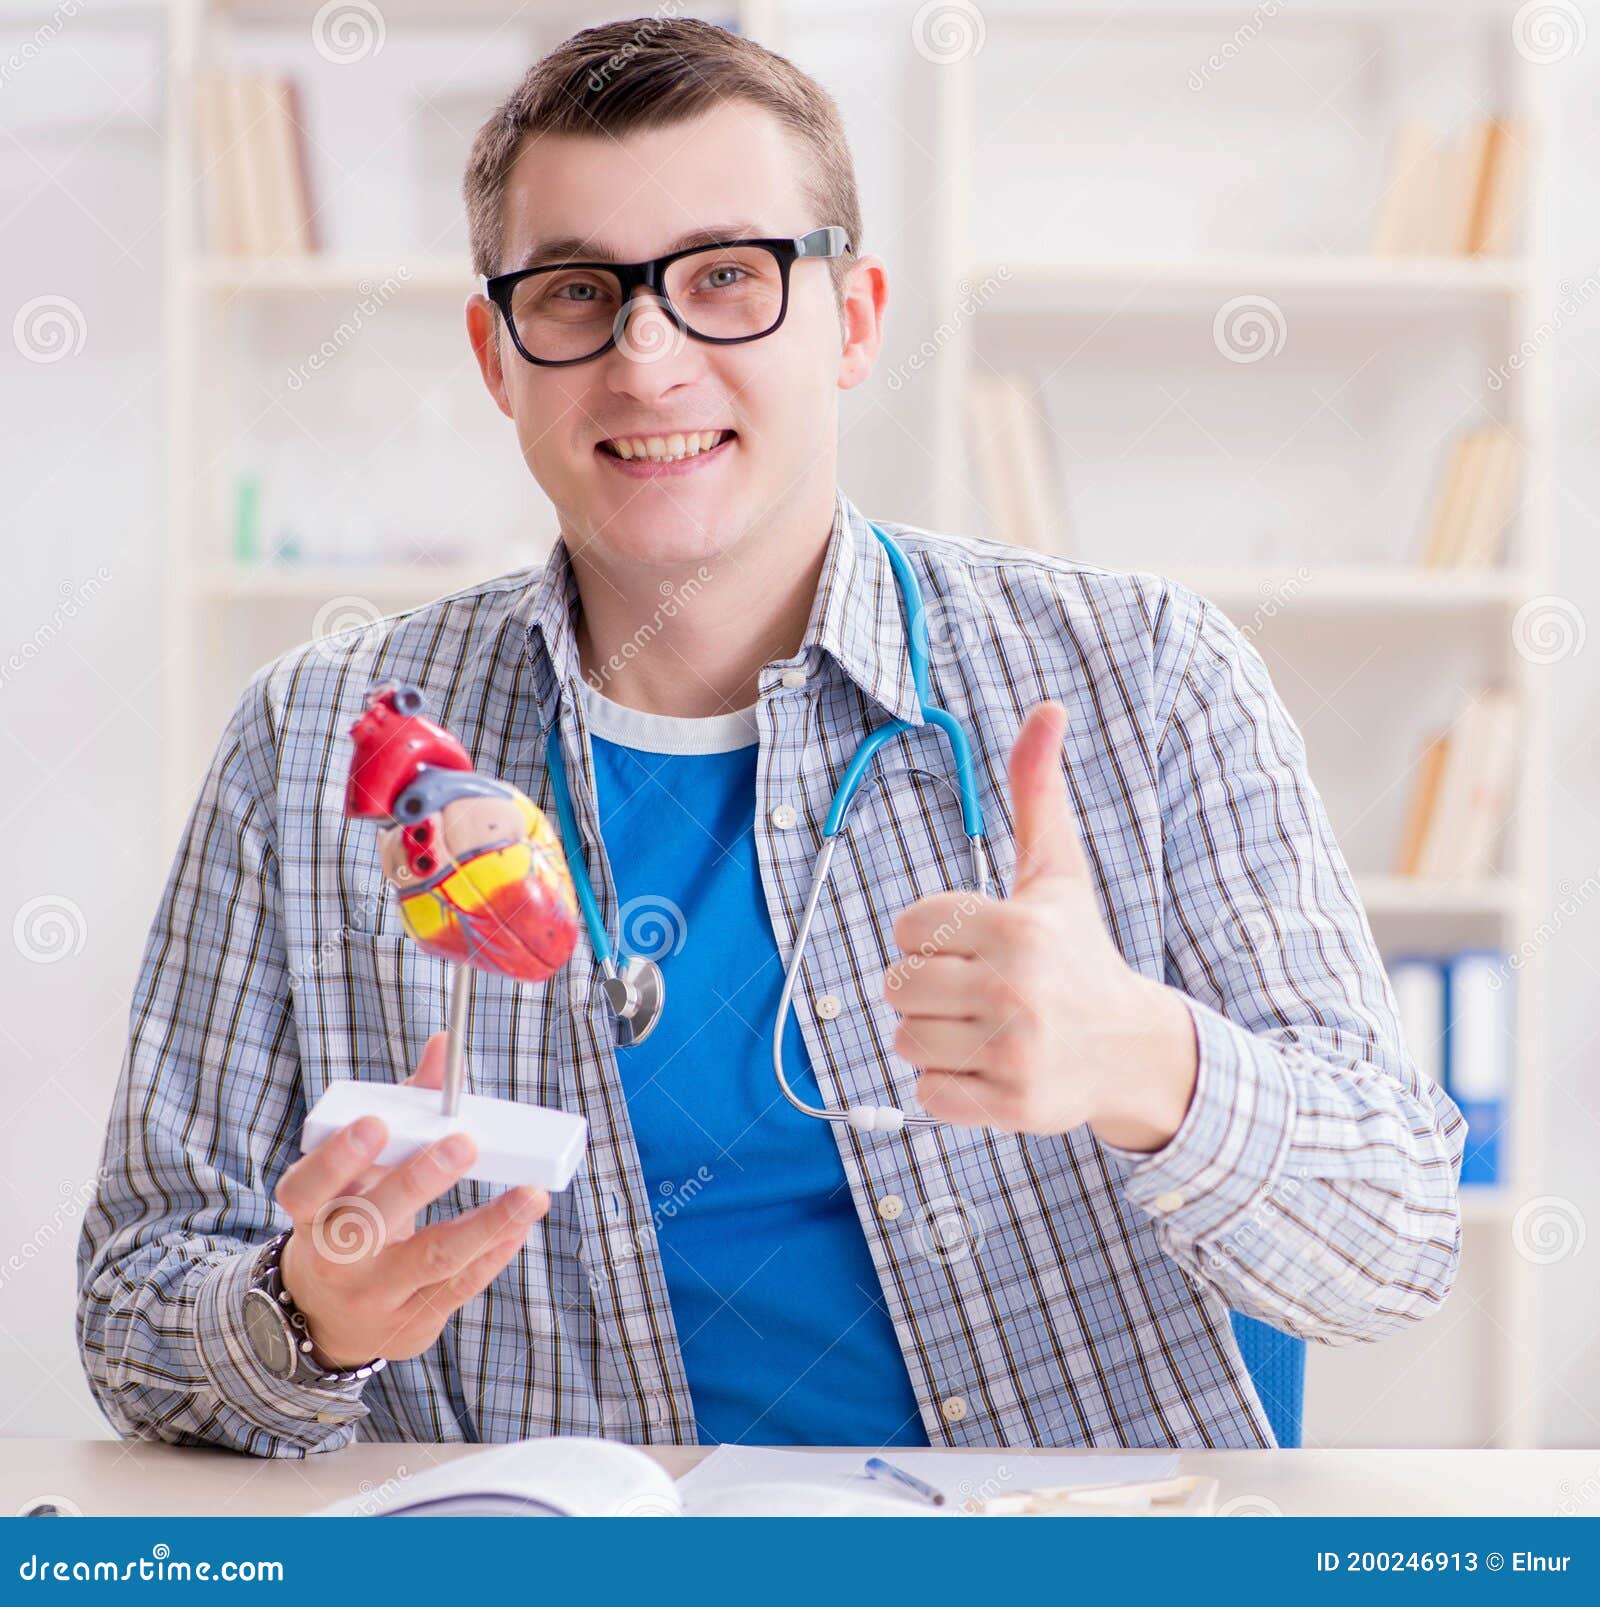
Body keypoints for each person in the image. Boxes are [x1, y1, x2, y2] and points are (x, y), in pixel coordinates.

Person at [77, 17, 1462, 1458]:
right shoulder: (312, 751)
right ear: (498, 356)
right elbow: (134, 1313)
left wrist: (1151, 1067)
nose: (647, 360)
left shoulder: (1146, 681)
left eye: (726, 278)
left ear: (855, 318)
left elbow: (1398, 1250)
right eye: (574, 293)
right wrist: (305, 1319)